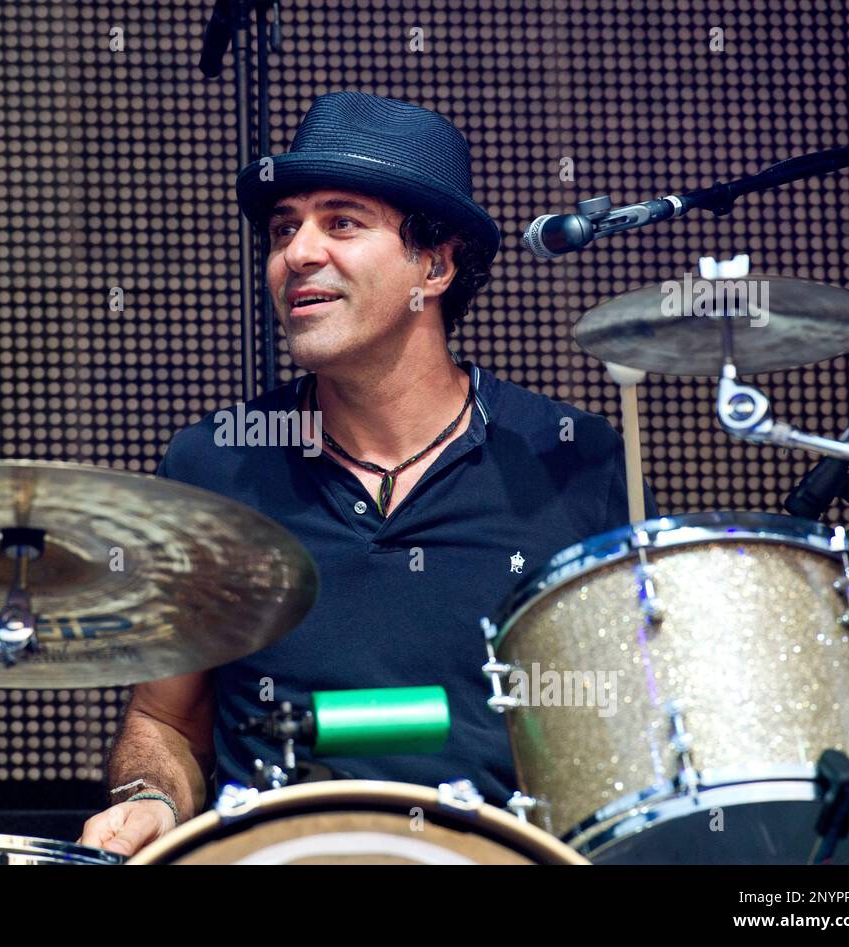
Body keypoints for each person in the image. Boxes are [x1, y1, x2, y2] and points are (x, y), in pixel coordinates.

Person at [79, 91, 657, 856]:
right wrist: (151, 797)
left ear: (437, 263)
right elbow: (166, 723)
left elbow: (631, 733)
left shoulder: (567, 460)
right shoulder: (215, 464)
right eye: (285, 228)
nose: (298, 253)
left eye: (341, 222)